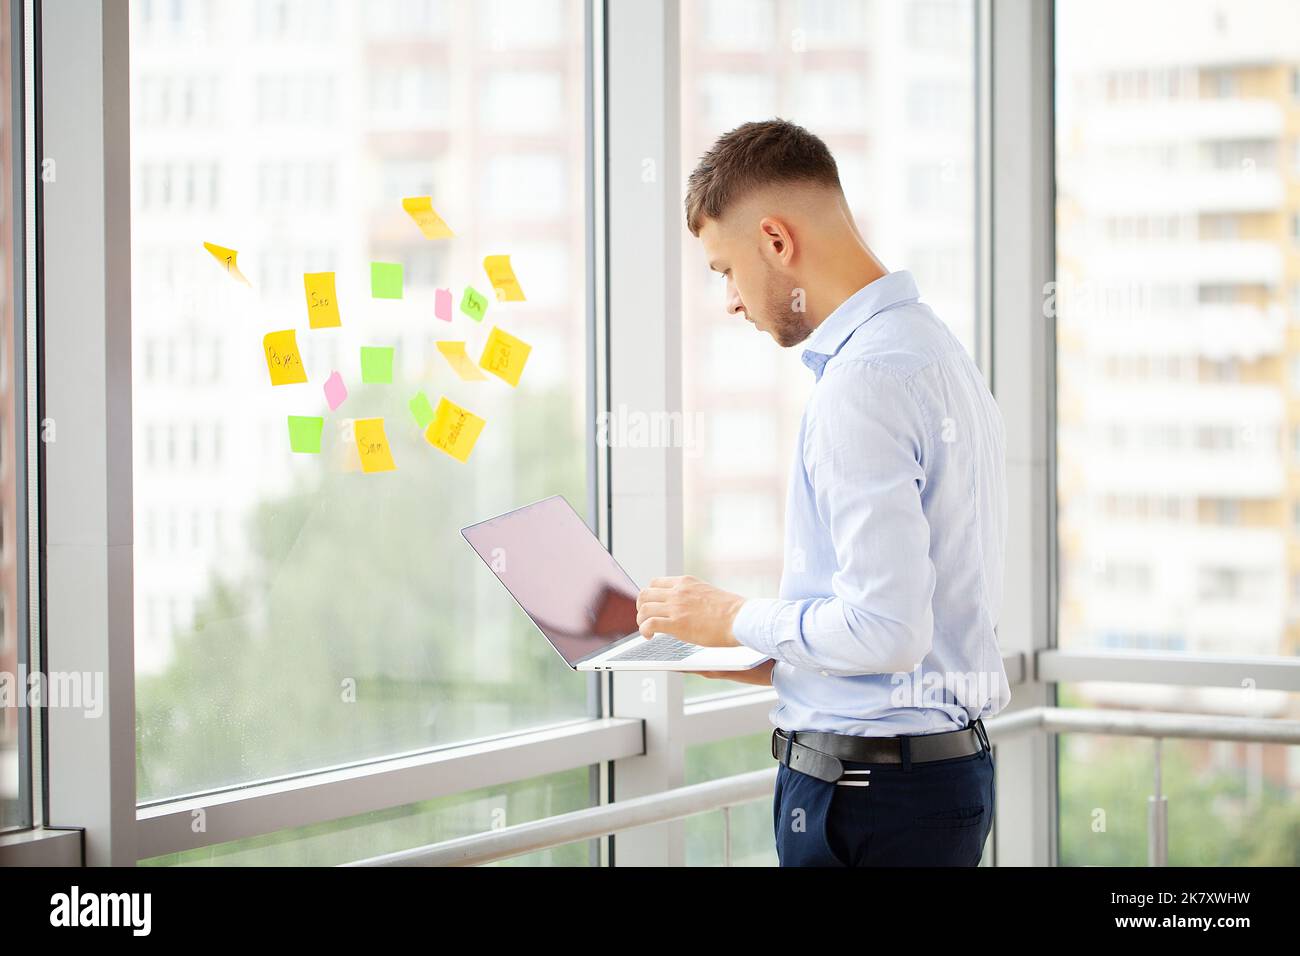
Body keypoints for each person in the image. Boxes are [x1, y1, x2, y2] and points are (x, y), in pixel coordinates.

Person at [634, 118, 1011, 866]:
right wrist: (742, 641)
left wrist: (733, 612)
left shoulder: (863, 382)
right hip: (921, 784)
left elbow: (890, 631)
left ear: (775, 240)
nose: (732, 302)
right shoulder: (933, 351)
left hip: (871, 798)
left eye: (724, 271)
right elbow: (911, 630)